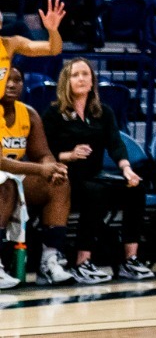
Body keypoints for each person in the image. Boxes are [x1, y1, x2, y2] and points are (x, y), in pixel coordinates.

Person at [43, 57, 151, 281]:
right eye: (75, 75)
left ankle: (130, 259)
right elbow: (44, 151)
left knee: (136, 189)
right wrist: (69, 155)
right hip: (66, 178)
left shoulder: (103, 112)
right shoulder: (54, 113)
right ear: (66, 81)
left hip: (94, 175)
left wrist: (126, 169)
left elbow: (115, 144)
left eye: (86, 74)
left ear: (92, 81)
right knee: (95, 191)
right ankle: (82, 261)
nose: (81, 78)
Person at [0, 66, 73, 283]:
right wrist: (41, 169)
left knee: (58, 184)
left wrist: (52, 169)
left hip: (13, 176)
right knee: (6, 184)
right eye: (6, 79)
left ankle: (50, 260)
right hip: (5, 179)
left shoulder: (29, 114)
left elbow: (43, 154)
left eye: (17, 80)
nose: (11, 84)